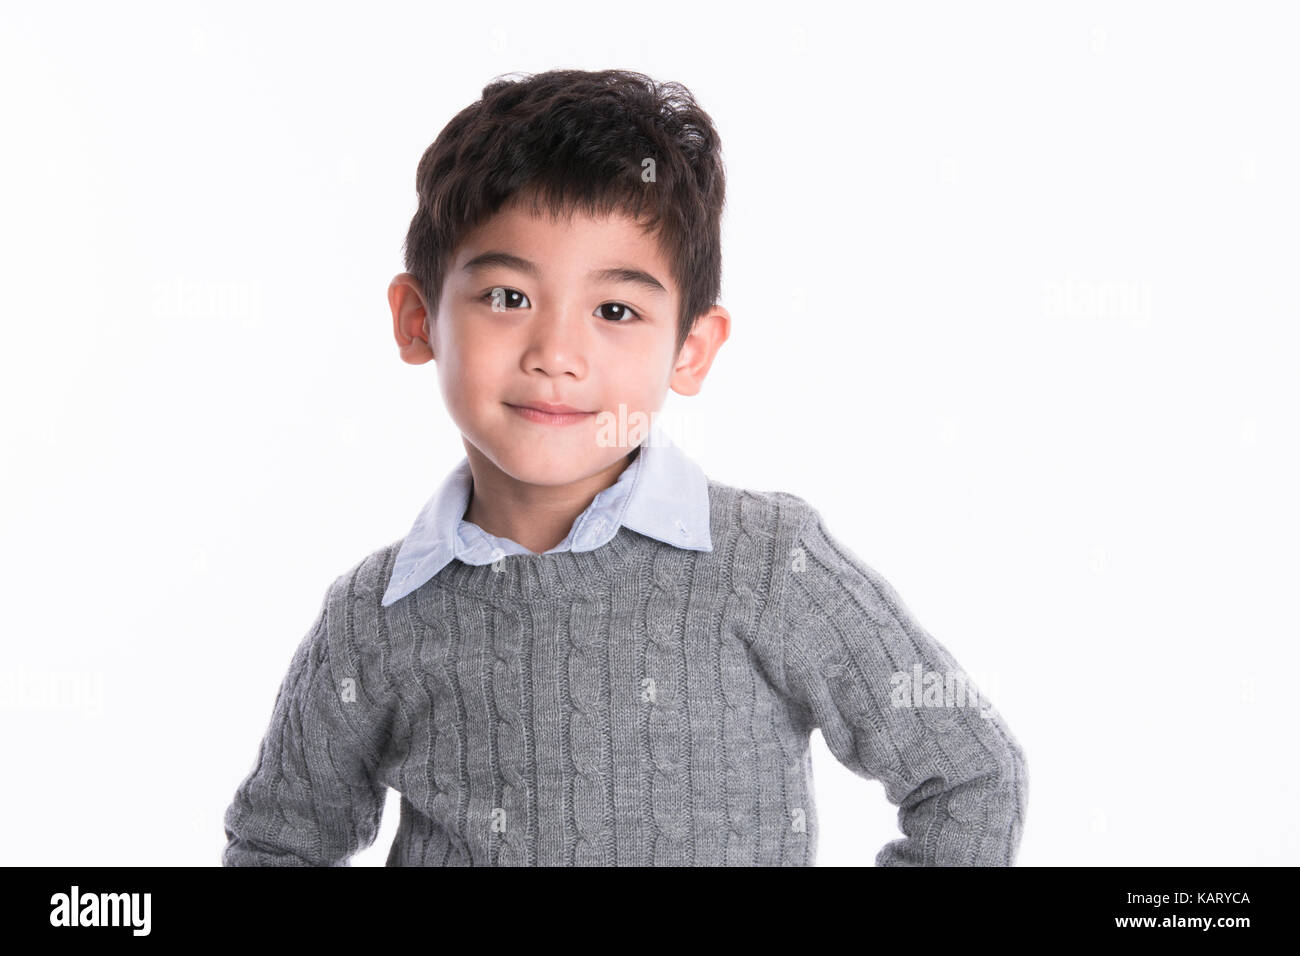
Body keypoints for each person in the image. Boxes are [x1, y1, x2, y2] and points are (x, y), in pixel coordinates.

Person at [221, 68, 1028, 867]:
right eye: (507, 297)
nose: (556, 356)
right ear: (416, 320)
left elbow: (969, 775)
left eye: (615, 311)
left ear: (691, 348)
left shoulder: (769, 562)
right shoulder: (373, 616)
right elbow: (277, 842)